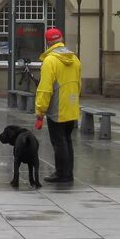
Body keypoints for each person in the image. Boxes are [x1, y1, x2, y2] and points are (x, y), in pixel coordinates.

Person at [34, 27, 82, 184]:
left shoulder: (50, 61)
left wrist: (40, 110)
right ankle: (68, 173)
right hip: (72, 106)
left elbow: (45, 88)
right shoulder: (75, 59)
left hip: (57, 108)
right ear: (61, 39)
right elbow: (79, 85)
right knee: (67, 140)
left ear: (48, 43)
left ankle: (62, 174)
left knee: (59, 142)